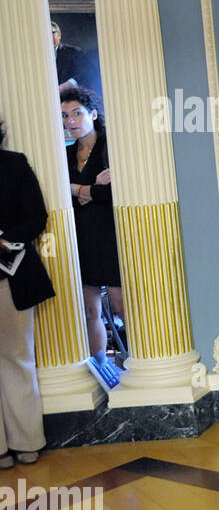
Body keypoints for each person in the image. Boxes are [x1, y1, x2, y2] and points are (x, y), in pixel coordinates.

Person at [0, 120, 56, 468]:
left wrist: (4, 240)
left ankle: (26, 440)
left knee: (17, 357)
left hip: (10, 273)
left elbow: (37, 216)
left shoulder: (14, 163)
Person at [61, 86, 125, 381]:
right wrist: (90, 191)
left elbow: (112, 193)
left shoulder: (109, 146)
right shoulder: (64, 154)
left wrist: (75, 189)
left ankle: (137, 363)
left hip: (109, 234)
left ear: (93, 114)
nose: (71, 120)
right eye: (64, 116)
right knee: (88, 310)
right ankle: (101, 371)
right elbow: (58, 196)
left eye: (77, 113)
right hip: (81, 236)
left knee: (122, 305)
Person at [52, 22, 94, 93]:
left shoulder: (73, 52)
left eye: (52, 33)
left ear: (59, 35)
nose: (48, 36)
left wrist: (70, 84)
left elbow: (89, 72)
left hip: (69, 98)